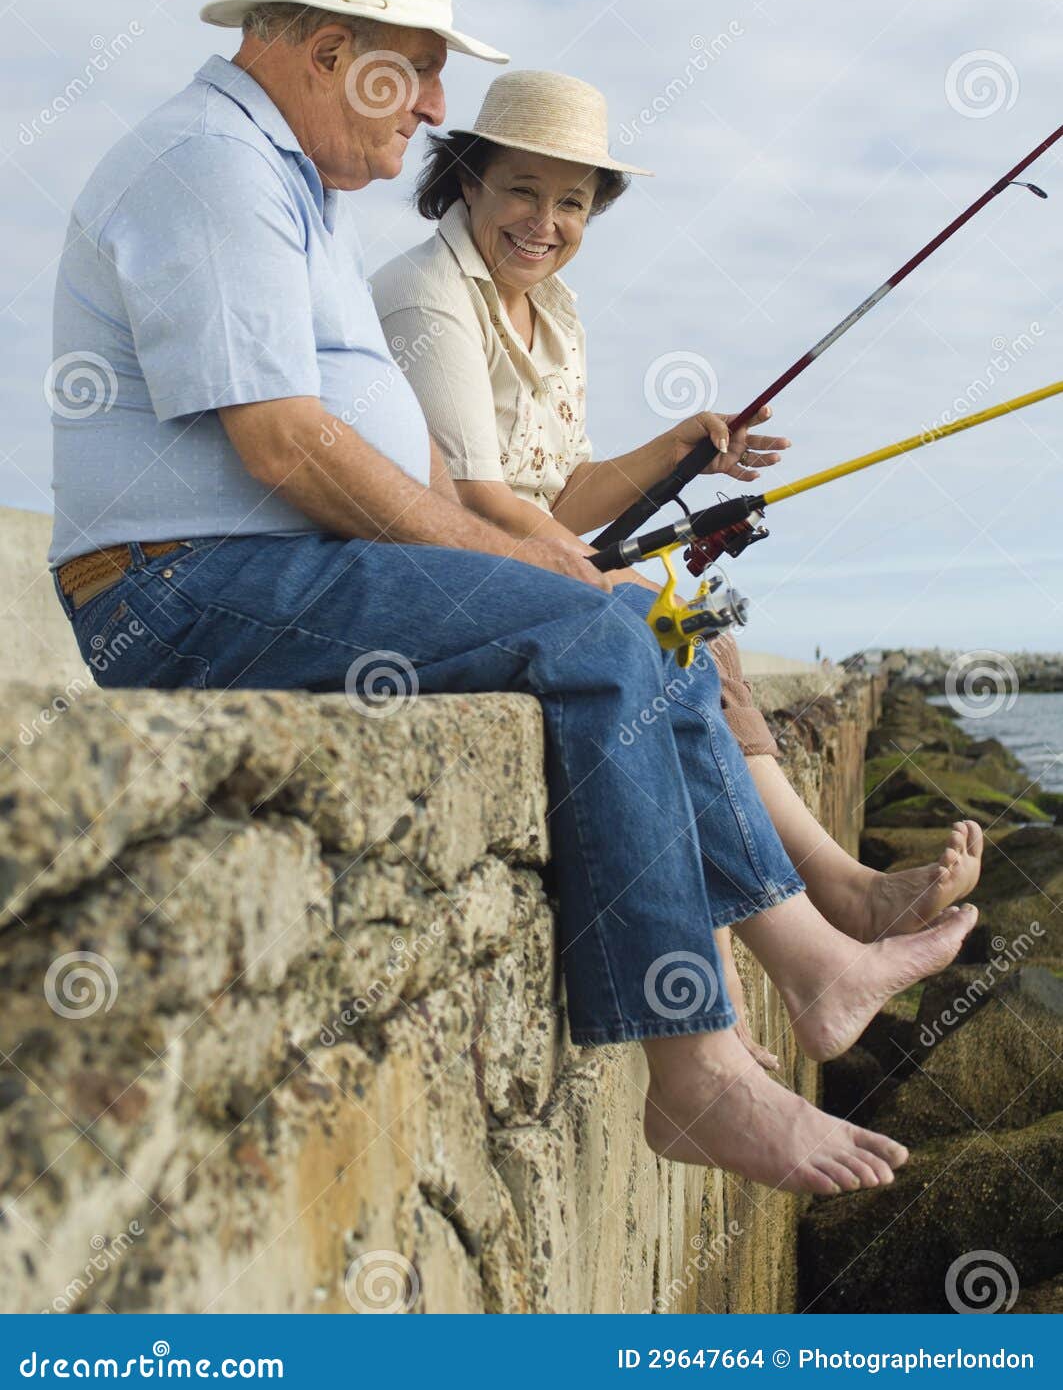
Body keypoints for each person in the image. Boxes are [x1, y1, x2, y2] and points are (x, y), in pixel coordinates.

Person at [49, 0, 975, 1197]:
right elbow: (286, 445)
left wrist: (551, 563)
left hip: (254, 572)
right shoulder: (212, 167)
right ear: (330, 51)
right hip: (180, 589)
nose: (436, 107)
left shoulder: (287, 185)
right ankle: (698, 1073)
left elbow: (406, 457)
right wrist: (534, 570)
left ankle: (815, 965)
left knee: (637, 627)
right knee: (597, 634)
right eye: (422, 71)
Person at [370, 68, 984, 1066]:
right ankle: (816, 921)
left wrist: (681, 449)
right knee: (662, 630)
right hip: (443, 569)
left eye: (573, 202)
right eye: (522, 189)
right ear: (467, 179)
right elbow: (473, 500)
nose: (545, 221)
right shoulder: (425, 295)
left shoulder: (554, 310)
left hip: (522, 556)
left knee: (694, 635)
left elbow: (561, 492)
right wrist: (604, 577)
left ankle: (829, 905)